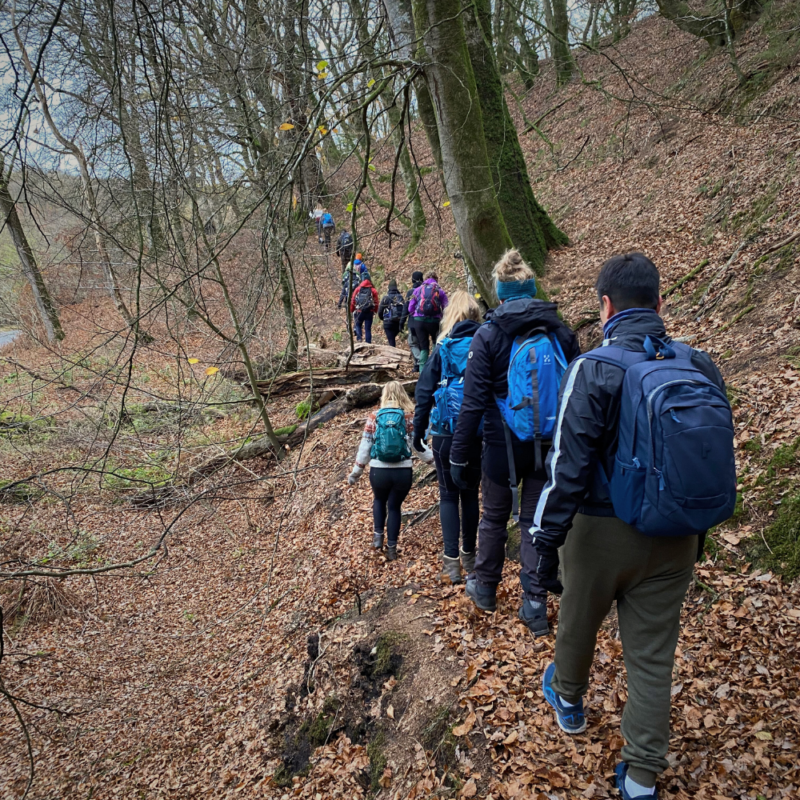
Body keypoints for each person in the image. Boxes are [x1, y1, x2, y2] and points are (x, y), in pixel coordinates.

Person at [532, 253, 734, 800]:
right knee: (652, 657)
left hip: (600, 532)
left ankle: (568, 699)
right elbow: (710, 458)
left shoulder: (593, 368)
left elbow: (566, 469)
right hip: (675, 536)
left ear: (605, 307)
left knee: (578, 621)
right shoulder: (699, 365)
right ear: (659, 304)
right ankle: (642, 776)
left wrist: (544, 542)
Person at [449, 249, 580, 633]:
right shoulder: (560, 333)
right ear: (532, 288)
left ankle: (486, 588)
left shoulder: (488, 335)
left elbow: (472, 404)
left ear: (500, 292)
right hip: (548, 444)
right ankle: (535, 603)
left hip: (500, 446)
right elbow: (577, 392)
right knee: (533, 522)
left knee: (493, 517)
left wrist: (458, 455)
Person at [412, 291, 482, 584]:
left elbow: (424, 392)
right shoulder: (485, 344)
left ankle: (452, 564)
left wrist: (418, 432)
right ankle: (470, 556)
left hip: (444, 433)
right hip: (476, 433)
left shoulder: (442, 347)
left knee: (448, 495)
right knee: (470, 494)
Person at [348, 381, 432, 560]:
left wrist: (356, 471)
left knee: (379, 500)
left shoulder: (375, 416)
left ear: (384, 395)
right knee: (394, 507)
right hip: (402, 472)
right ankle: (392, 549)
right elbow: (418, 445)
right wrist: (435, 463)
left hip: (379, 471)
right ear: (402, 394)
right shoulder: (408, 417)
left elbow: (365, 446)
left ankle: (378, 538)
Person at [407, 272, 448, 370]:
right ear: (436, 279)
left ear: (425, 279)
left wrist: (415, 314)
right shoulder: (439, 291)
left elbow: (410, 308)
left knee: (423, 347)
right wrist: (441, 316)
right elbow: (447, 307)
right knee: (435, 342)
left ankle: (422, 371)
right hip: (434, 321)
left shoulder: (418, 290)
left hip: (419, 321)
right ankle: (434, 369)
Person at [350, 273, 379, 343]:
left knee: (358, 325)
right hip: (369, 312)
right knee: (367, 329)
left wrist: (352, 309)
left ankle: (359, 339)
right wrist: (375, 310)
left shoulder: (357, 289)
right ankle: (368, 343)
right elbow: (376, 302)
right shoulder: (373, 290)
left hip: (359, 311)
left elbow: (353, 300)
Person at [378, 279, 406, 347]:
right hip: (398, 322)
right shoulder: (400, 297)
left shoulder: (386, 298)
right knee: (392, 339)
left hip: (388, 323)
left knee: (391, 341)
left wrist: (383, 319)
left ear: (389, 288)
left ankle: (392, 351)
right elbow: (404, 310)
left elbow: (380, 311)